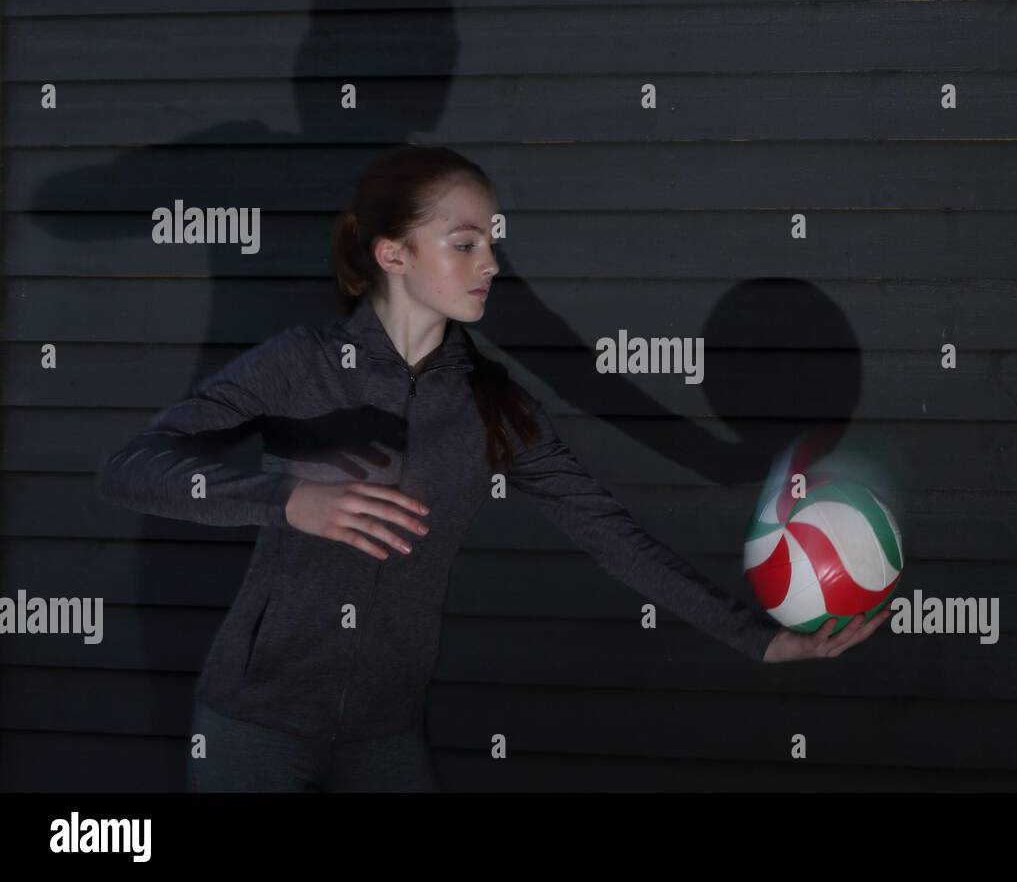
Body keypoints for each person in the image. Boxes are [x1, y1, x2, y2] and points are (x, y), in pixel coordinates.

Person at [96, 145, 889, 793]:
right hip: (252, 727)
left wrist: (758, 641)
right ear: (393, 253)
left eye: (493, 242)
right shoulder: (299, 366)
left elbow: (613, 536)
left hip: (384, 735)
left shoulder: (495, 405)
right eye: (465, 242)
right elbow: (131, 468)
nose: (491, 264)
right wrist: (287, 499)